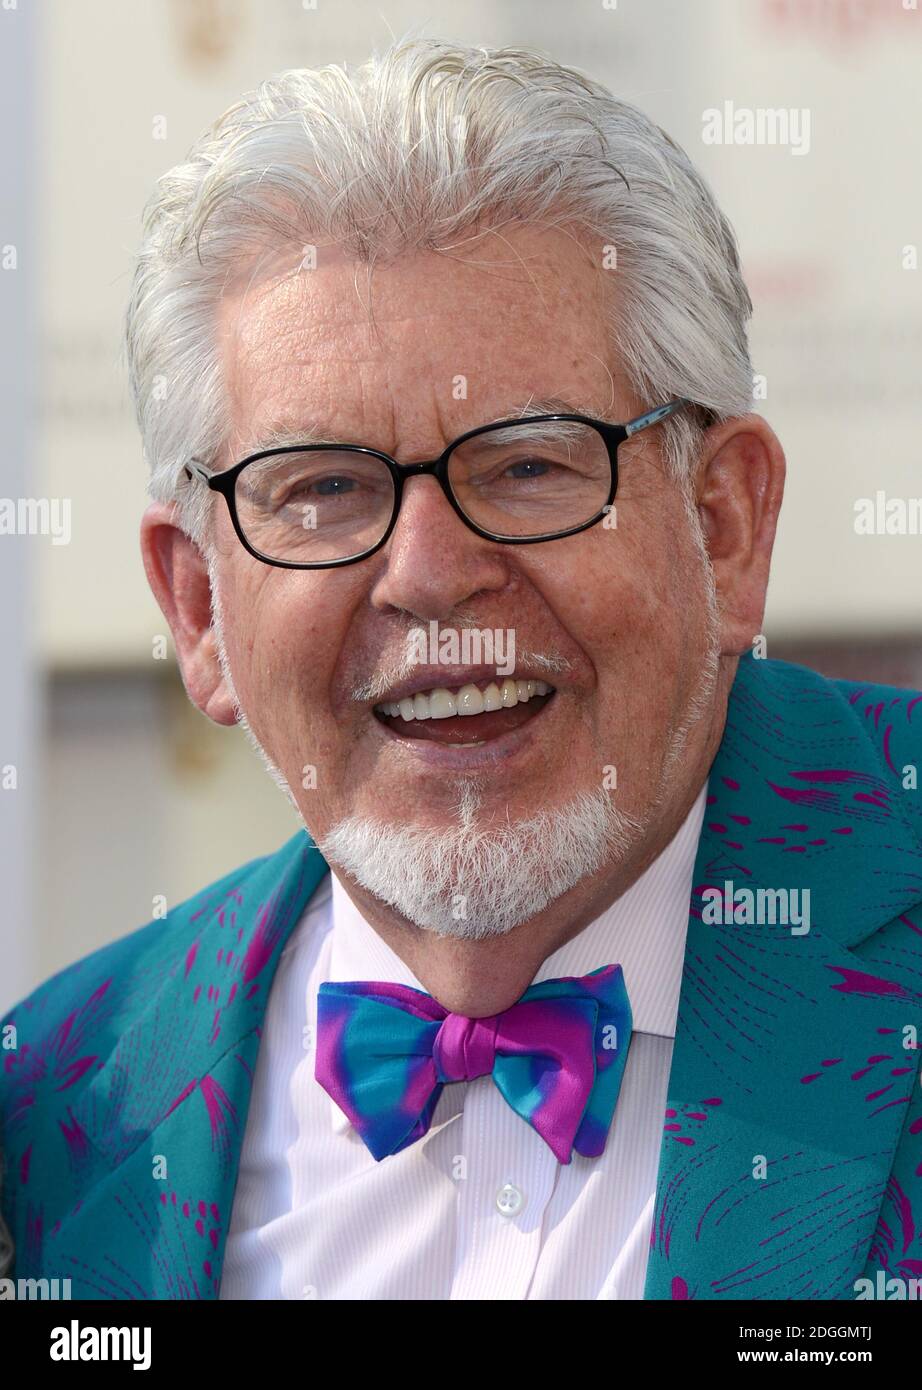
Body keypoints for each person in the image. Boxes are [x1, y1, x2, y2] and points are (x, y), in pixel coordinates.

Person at [1, 38, 920, 1302]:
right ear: (198, 606)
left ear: (725, 524)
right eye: (322, 489)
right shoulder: (55, 1102)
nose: (429, 573)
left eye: (529, 464)